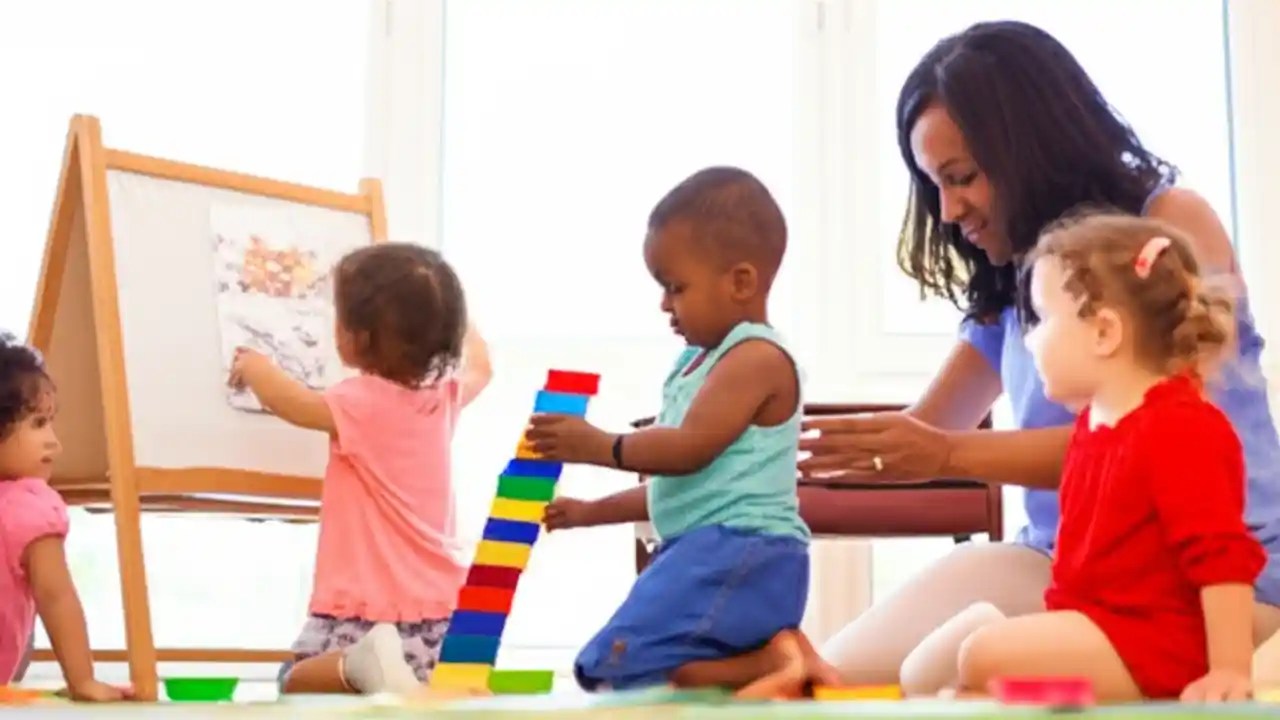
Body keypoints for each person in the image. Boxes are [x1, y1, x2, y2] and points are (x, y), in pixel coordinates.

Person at [799, 19, 1280, 694]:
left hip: (1209, 577)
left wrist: (944, 455)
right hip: (1070, 571)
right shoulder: (1022, 282)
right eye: (933, 183)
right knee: (828, 676)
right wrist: (737, 477)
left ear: (1027, 149)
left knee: (975, 664)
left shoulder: (1164, 231)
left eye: (960, 177)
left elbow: (1150, 443)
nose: (945, 209)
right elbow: (918, 437)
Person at [906, 213, 1265, 702]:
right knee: (922, 671)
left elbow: (1221, 558)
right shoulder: (1094, 428)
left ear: (1104, 333)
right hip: (1097, 628)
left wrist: (1229, 670)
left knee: (980, 655)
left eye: (1043, 318)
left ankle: (1001, 691)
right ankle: (1000, 694)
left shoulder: (1181, 427)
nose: (1030, 340)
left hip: (1157, 650)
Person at [525, 166, 839, 698]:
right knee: (612, 669)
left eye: (676, 287)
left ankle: (772, 661)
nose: (665, 304)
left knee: (617, 665)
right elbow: (678, 489)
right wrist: (589, 513)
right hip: (710, 551)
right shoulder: (698, 363)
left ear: (741, 281)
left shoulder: (755, 357)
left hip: (744, 553)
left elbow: (687, 451)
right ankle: (770, 660)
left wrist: (597, 445)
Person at [229, 243, 493, 695]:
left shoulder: (362, 401)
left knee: (294, 680)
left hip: (364, 611)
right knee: (414, 694)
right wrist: (453, 321)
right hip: (441, 611)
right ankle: (397, 676)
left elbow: (295, 404)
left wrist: (254, 368)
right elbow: (482, 369)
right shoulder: (443, 399)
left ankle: (356, 665)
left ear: (359, 338)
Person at [0, 333, 131, 701]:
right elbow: (56, 597)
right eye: (39, 424)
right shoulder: (28, 506)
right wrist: (83, 681)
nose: (55, 443)